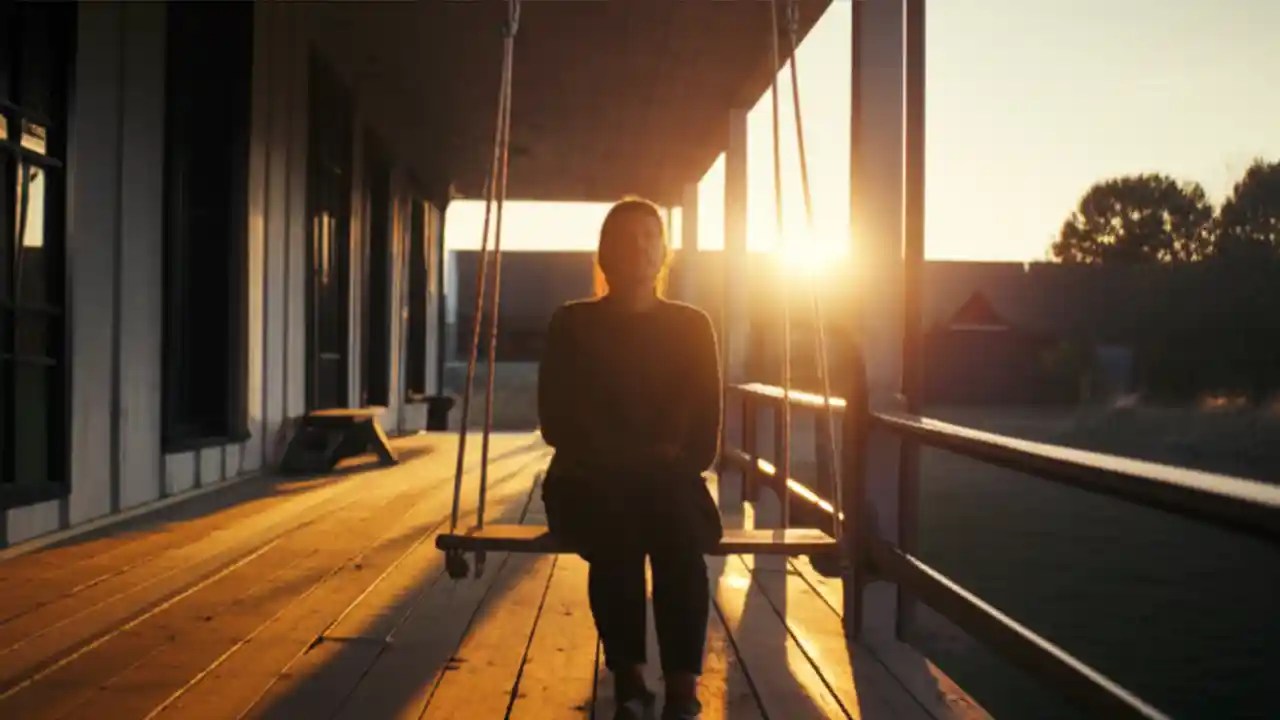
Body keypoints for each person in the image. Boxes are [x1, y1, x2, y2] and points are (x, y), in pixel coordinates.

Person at [538, 197, 723, 720]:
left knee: (677, 538)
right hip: (587, 483)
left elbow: (703, 436)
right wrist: (630, 459)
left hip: (665, 485)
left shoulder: (691, 327)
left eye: (649, 238)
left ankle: (682, 692)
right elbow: (556, 421)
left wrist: (649, 461)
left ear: (664, 253)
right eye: (626, 239)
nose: (639, 249)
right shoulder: (572, 324)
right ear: (604, 254)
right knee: (615, 522)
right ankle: (630, 685)